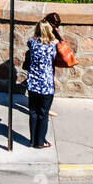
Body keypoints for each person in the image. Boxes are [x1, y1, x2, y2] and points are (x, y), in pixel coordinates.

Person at [22, 19, 58, 148]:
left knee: (33, 112)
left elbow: (30, 41)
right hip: (46, 85)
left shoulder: (32, 43)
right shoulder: (53, 46)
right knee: (43, 113)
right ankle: (40, 141)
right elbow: (61, 48)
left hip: (33, 84)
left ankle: (32, 140)